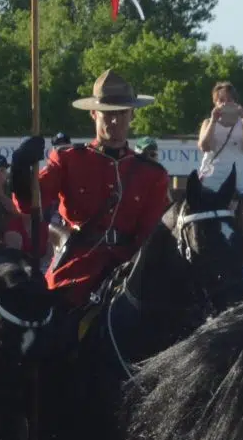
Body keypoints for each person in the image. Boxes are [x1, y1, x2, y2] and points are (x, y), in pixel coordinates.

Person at [12, 70, 173, 302]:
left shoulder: (151, 174)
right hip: (77, 268)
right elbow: (29, 205)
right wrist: (20, 166)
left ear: (132, 115)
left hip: (129, 269)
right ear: (93, 114)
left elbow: (148, 234)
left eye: (122, 113)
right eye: (108, 114)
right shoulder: (68, 159)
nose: (115, 121)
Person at [0, 154, 34, 256]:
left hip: (8, 232)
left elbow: (18, 213)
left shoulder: (10, 189)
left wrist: (1, 195)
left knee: (15, 237)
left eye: (2, 170)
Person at [196, 82, 243, 177]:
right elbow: (204, 147)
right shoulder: (208, 123)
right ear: (215, 103)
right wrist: (213, 121)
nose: (225, 103)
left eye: (229, 100)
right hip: (212, 179)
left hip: (237, 178)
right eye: (221, 100)